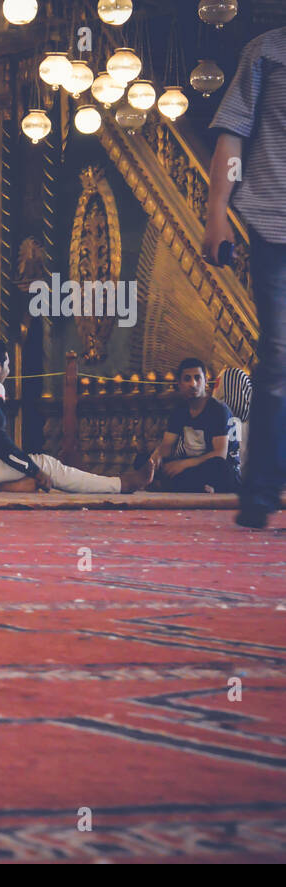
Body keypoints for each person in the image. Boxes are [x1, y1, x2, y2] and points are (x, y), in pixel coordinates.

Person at [203, 26, 286, 528]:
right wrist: (216, 212)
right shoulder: (267, 51)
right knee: (278, 358)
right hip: (274, 225)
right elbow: (232, 135)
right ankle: (259, 494)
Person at [0, 338, 153, 494]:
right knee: (46, 463)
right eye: (7, 365)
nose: (8, 371)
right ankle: (119, 485)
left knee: (24, 478)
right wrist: (35, 470)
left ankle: (6, 486)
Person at [140, 358, 240, 493]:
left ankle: (171, 485)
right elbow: (167, 446)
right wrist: (155, 458)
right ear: (179, 384)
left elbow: (220, 453)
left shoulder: (218, 410)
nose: (193, 384)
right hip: (191, 467)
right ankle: (190, 486)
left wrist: (183, 464)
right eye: (187, 379)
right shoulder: (179, 410)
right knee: (142, 459)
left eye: (198, 378)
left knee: (219, 467)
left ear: (205, 382)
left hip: (217, 467)